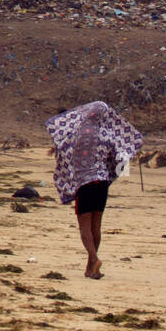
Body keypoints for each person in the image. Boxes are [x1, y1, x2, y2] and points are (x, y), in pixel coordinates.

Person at [46, 101, 143, 280]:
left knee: (85, 227)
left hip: (84, 184)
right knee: (96, 226)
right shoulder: (107, 134)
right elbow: (120, 156)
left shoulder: (74, 134)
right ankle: (90, 269)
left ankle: (94, 259)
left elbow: (62, 151)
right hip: (101, 184)